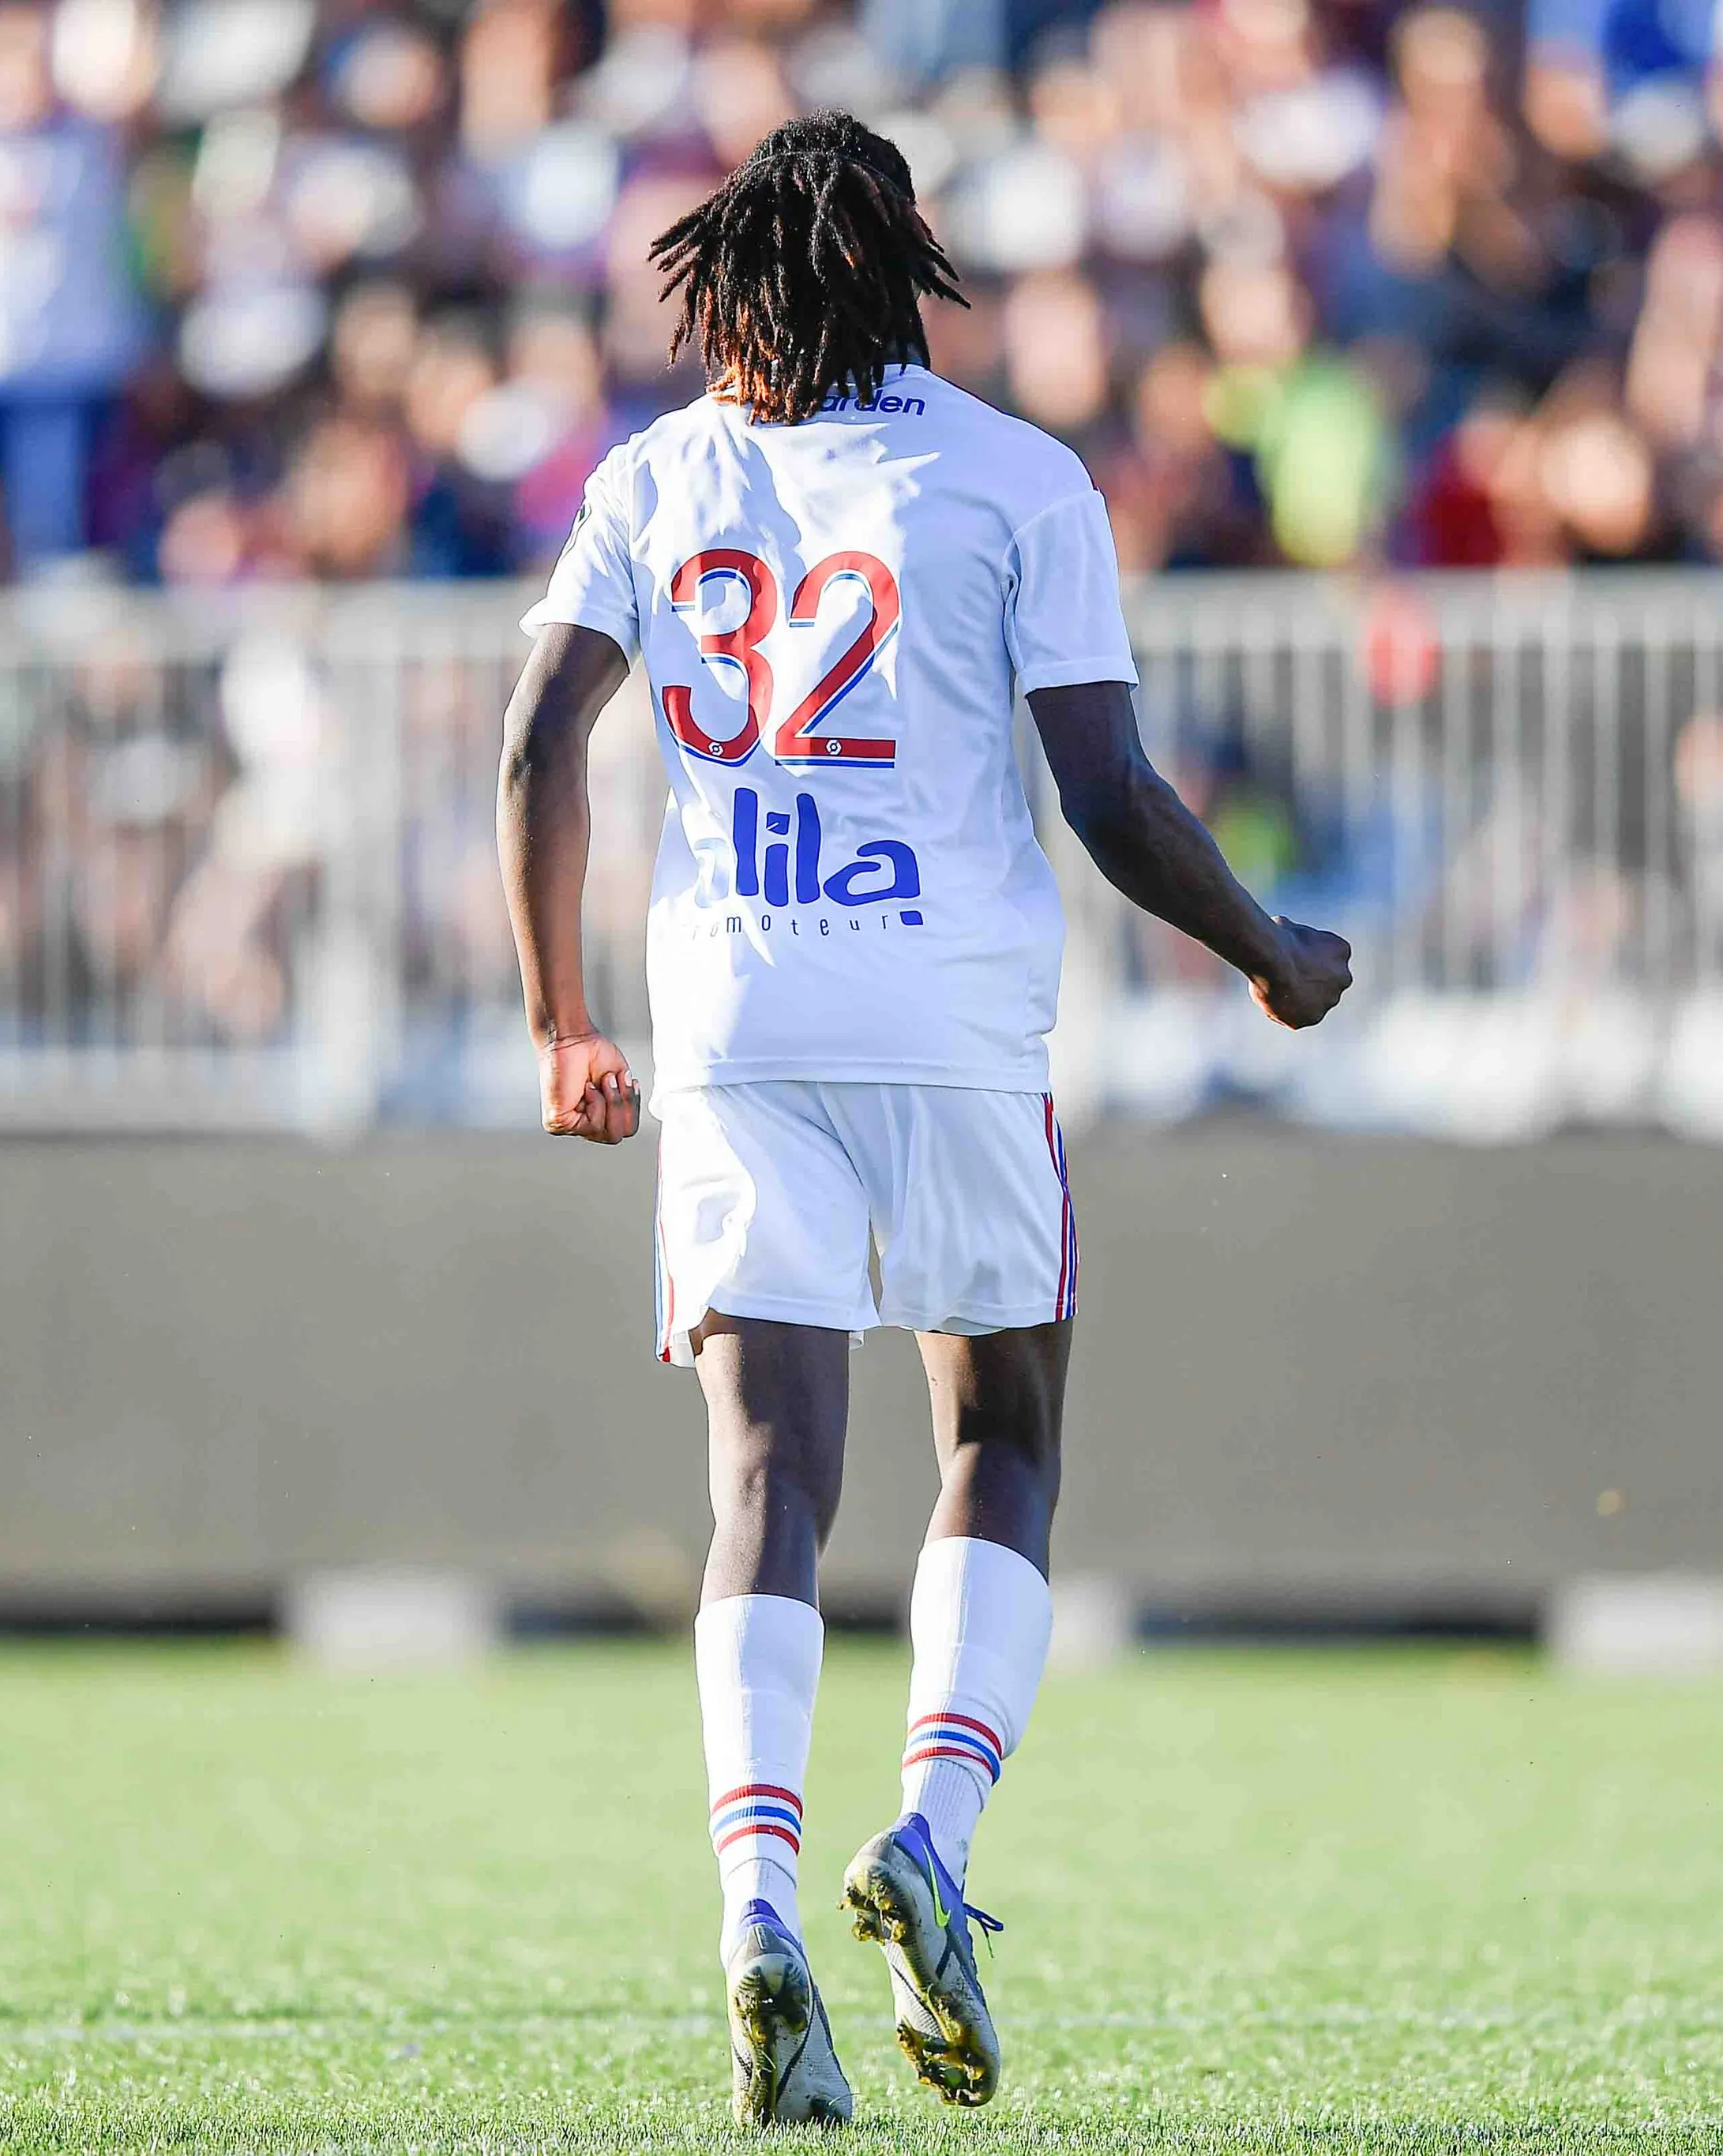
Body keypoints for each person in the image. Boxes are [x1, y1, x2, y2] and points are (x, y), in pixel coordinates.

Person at [494, 112, 1353, 2128]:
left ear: (737, 287)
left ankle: (755, 1907)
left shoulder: (656, 476)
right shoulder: (1011, 483)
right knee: (1004, 1433)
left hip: (732, 1029)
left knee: (763, 1476)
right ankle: (939, 1839)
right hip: (955, 1032)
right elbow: (1113, 804)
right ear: (906, 275)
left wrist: (558, 1021)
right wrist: (1266, 951)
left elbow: (538, 733)